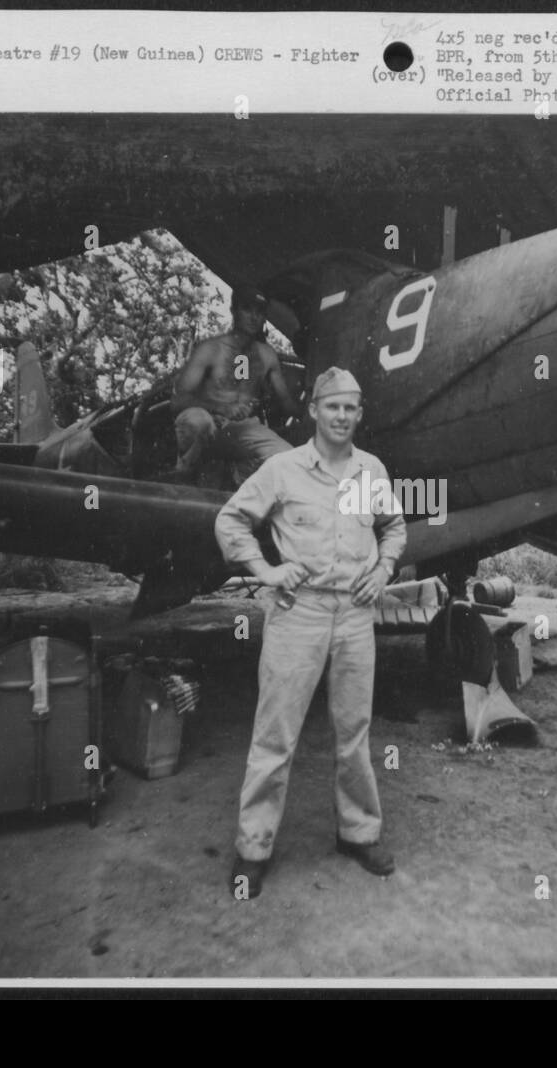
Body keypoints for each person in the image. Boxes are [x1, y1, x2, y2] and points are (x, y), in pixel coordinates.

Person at [215, 367, 407, 899]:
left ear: (359, 413)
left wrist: (384, 570)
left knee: (354, 734)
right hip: (297, 613)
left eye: (351, 408)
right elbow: (230, 521)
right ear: (315, 411)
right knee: (275, 737)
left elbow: (394, 526)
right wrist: (266, 571)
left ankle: (359, 832)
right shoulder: (282, 469)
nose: (342, 416)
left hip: (354, 616)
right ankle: (253, 849)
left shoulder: (372, 471)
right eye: (333, 407)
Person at [170, 284, 301, 485]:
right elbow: (179, 401)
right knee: (199, 422)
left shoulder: (267, 355)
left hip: (240, 429)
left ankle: (239, 473)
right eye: (247, 309)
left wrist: (315, 406)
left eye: (259, 312)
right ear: (234, 311)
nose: (253, 317)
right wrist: (222, 408)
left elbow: (286, 403)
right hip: (208, 420)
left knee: (289, 460)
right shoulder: (210, 349)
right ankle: (186, 471)